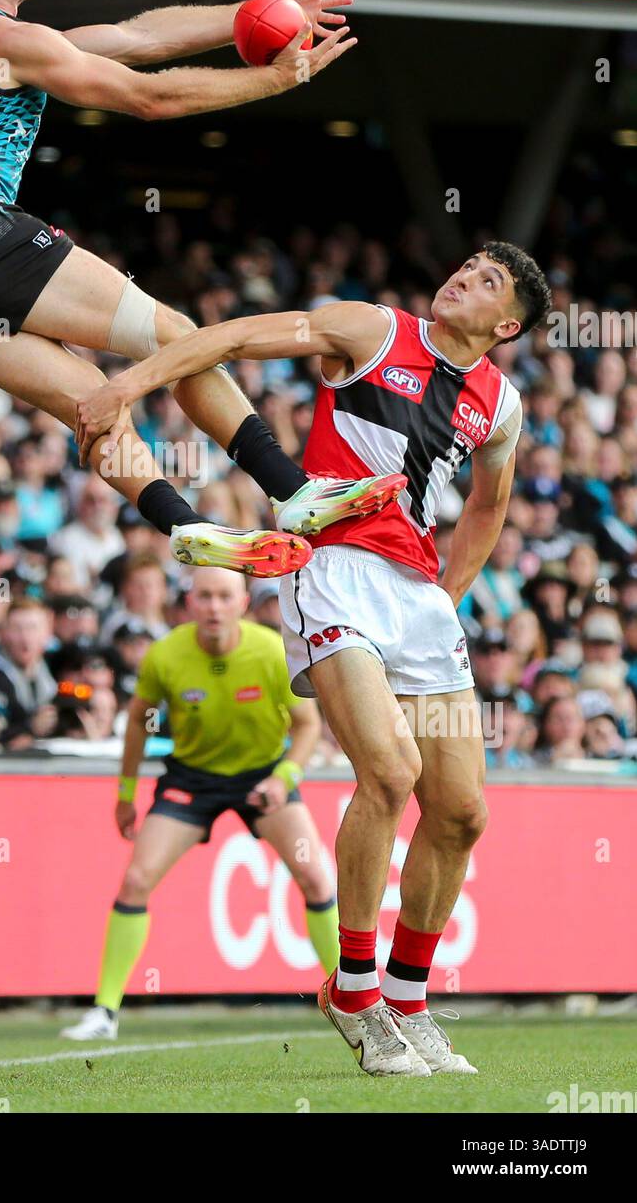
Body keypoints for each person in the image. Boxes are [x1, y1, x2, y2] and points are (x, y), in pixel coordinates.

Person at [75, 243, 552, 1075]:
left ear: (504, 325)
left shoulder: (499, 403)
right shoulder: (368, 329)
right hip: (328, 572)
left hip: (417, 599)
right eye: (466, 265)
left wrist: (448, 596)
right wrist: (126, 384)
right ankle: (356, 994)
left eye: (484, 282)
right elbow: (228, 340)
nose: (460, 279)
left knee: (463, 811)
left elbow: (489, 502)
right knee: (390, 775)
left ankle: (408, 998)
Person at [0, 0, 393, 581]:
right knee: (177, 335)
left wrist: (251, 12)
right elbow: (145, 96)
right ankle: (294, 491)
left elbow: (138, 37)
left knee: (90, 400)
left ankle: (182, 525)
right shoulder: (1, 39)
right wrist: (275, 78)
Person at [61, 567, 338, 1042]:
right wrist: (125, 795)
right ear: (189, 603)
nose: (213, 607)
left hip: (262, 776)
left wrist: (284, 777)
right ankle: (104, 1012)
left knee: (316, 877)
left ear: (242, 603)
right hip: (192, 779)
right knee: (135, 880)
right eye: (204, 597)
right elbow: (137, 725)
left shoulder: (271, 651)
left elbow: (307, 725)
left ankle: (350, 1001)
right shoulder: (165, 655)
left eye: (223, 597)